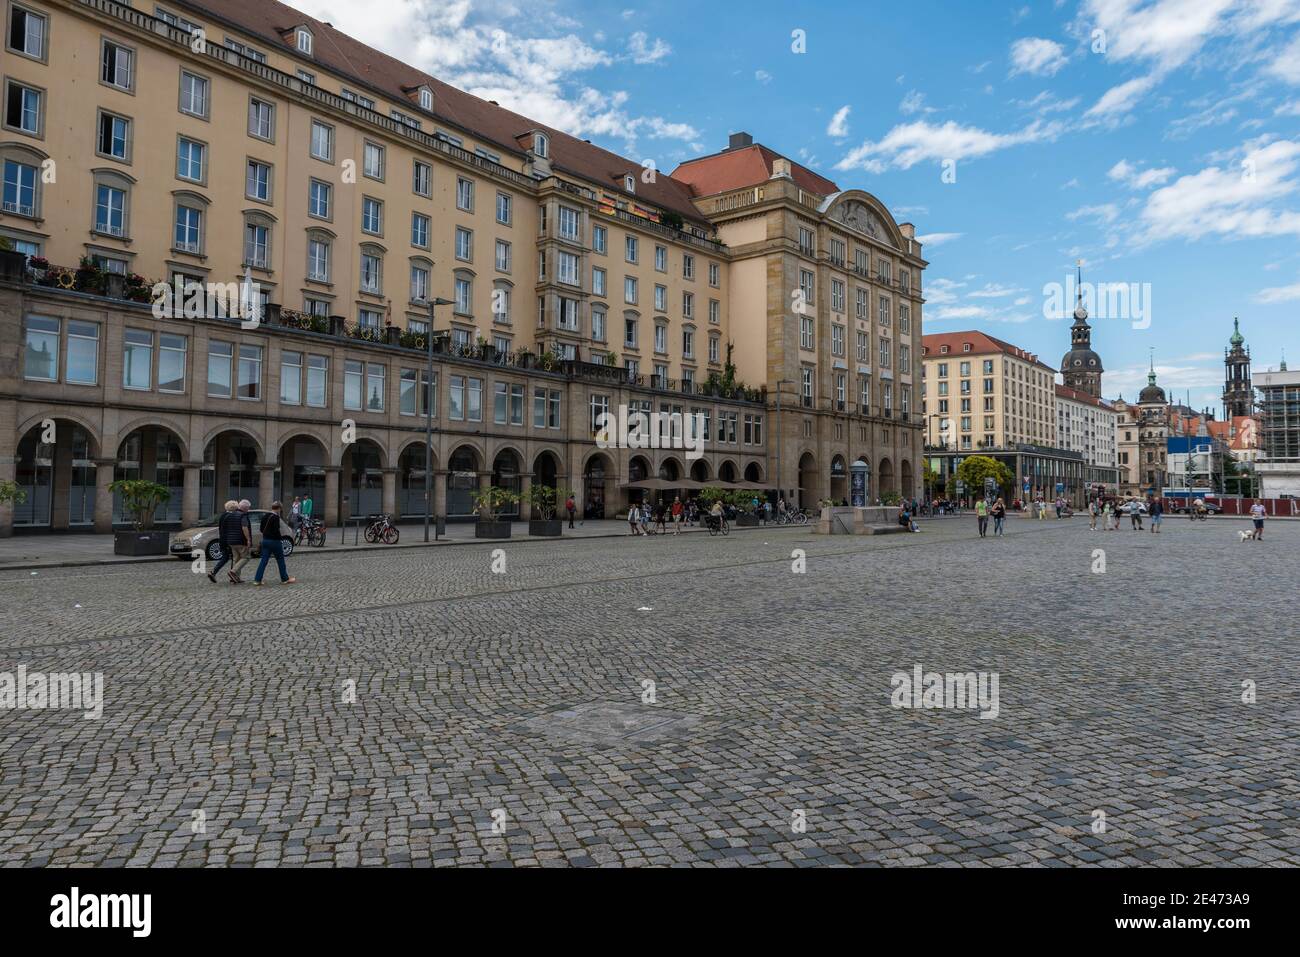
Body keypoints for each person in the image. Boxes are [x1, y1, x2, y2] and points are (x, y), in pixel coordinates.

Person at [253, 502, 296, 585]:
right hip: (274, 541)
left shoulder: (265, 516)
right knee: (280, 560)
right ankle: (284, 578)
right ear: (279, 508)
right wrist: (279, 538)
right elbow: (276, 530)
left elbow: (261, 529)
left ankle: (257, 579)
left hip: (265, 540)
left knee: (263, 561)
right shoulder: (276, 517)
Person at [208, 500, 242, 583]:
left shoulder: (223, 515)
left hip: (222, 539)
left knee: (226, 557)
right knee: (231, 558)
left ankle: (217, 573)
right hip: (228, 540)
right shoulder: (230, 516)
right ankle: (231, 575)